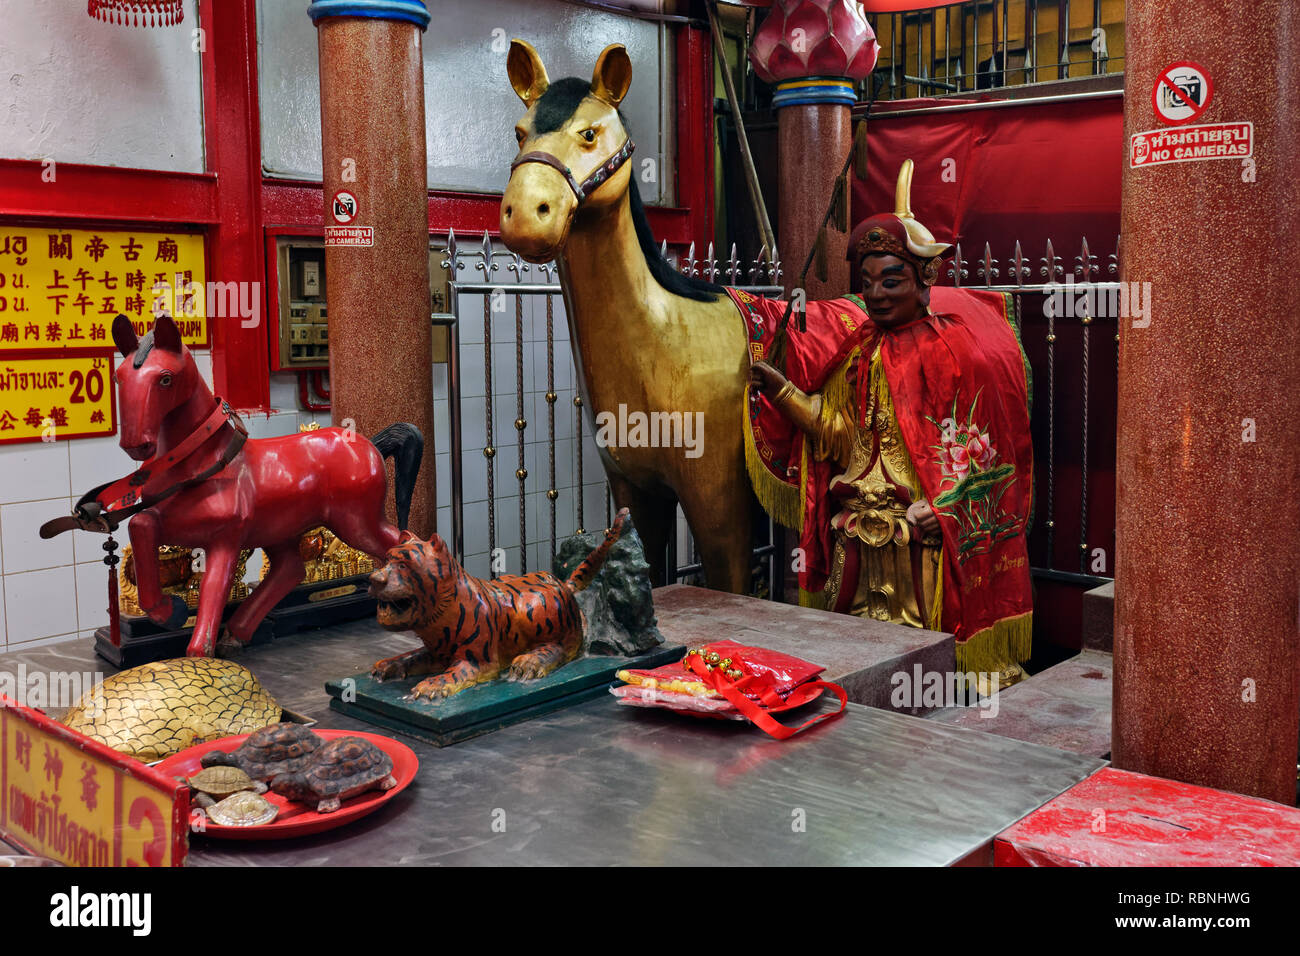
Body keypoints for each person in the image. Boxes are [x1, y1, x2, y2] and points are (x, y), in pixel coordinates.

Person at [735, 160, 1034, 683]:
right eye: (867, 282)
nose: (875, 295)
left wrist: (941, 507)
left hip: (917, 521)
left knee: (928, 649)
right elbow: (837, 431)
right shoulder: (859, 352)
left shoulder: (956, 351)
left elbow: (985, 454)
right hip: (858, 518)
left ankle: (947, 672)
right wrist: (781, 391)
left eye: (891, 281)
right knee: (858, 646)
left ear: (924, 280)